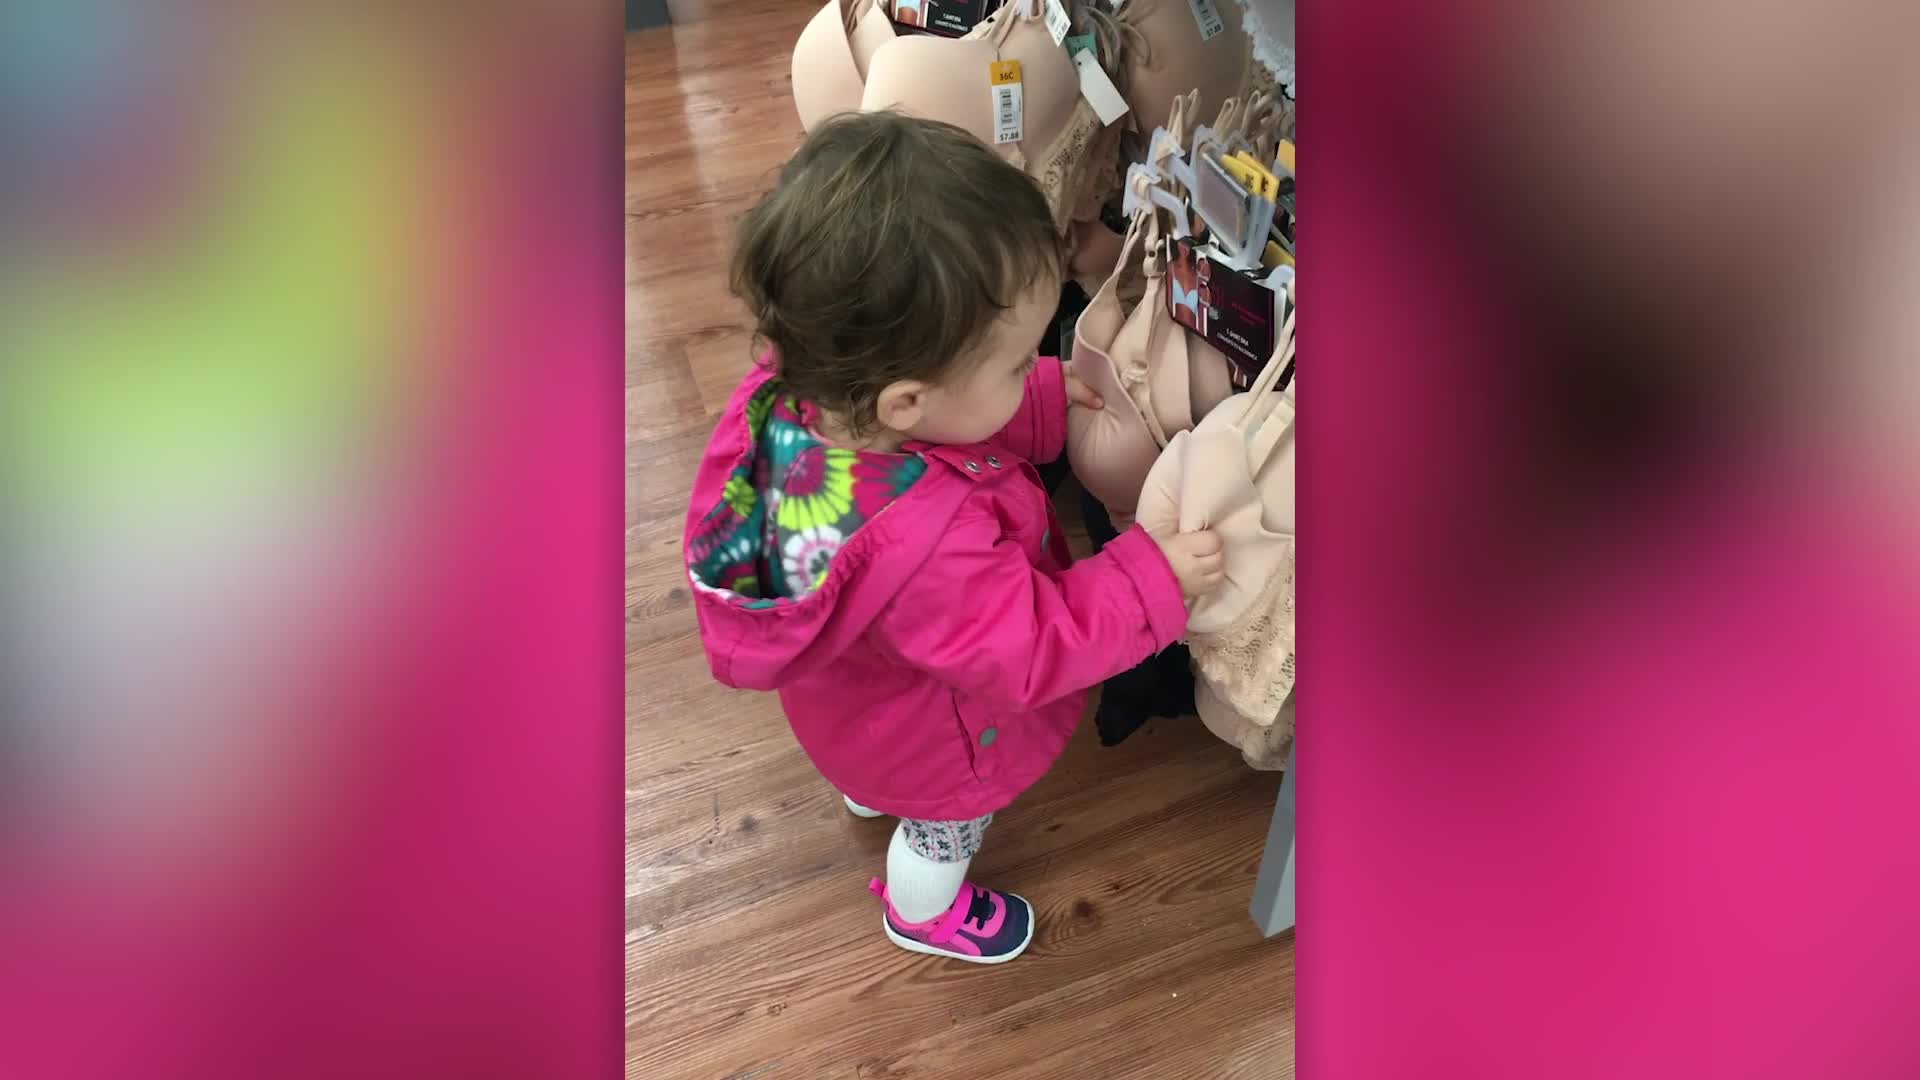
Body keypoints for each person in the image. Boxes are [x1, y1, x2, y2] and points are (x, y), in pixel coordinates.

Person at [683, 112, 1225, 964]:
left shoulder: (801, 399)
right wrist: (1148, 579)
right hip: (941, 744)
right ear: (907, 400)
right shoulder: (929, 552)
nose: (1025, 372)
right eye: (1015, 364)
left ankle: (868, 786)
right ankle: (923, 912)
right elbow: (1028, 644)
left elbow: (949, 423)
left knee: (876, 761)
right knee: (945, 828)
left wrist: (1036, 396)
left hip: (855, 705)